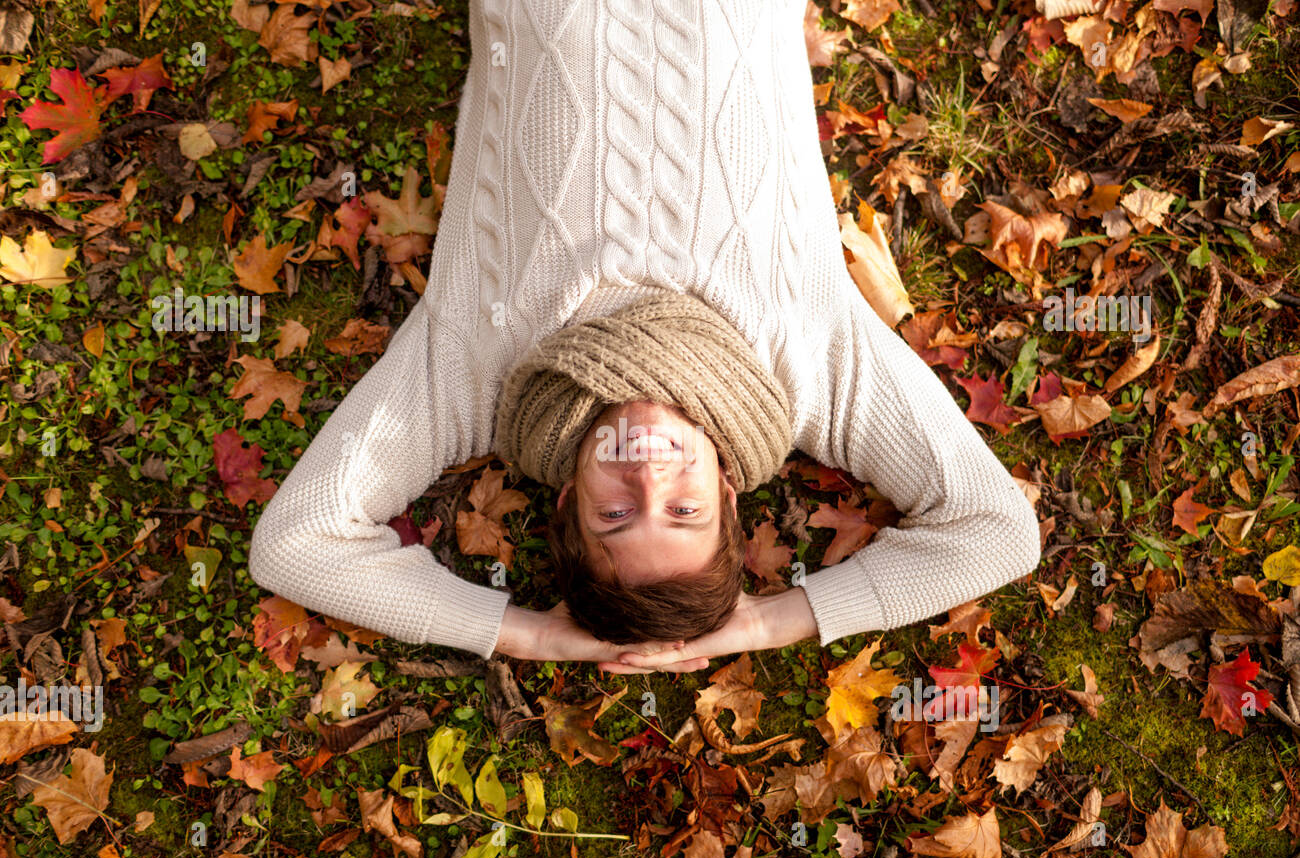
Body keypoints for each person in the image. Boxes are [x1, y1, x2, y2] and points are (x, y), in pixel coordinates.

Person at [247, 0, 1042, 677]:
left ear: (567, 503)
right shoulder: (811, 369)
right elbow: (994, 532)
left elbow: (298, 543)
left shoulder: (479, 373)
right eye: (686, 510)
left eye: (616, 518)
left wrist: (529, 634)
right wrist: (769, 622)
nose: (647, 479)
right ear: (731, 492)